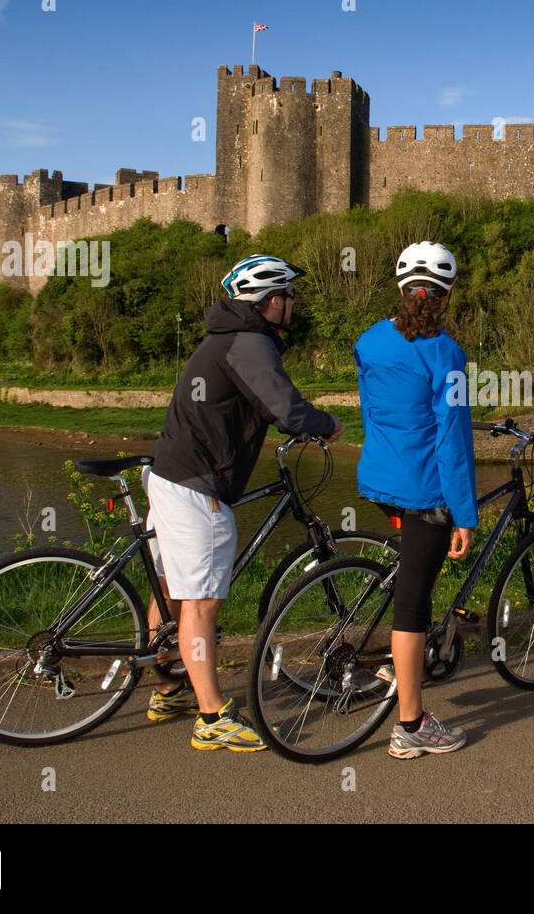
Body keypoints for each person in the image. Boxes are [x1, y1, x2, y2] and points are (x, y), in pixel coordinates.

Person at [144, 254, 344, 750]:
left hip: (170, 473)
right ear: (270, 301)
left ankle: (169, 686)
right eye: (290, 295)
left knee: (170, 585)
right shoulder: (251, 341)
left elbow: (261, 401)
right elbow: (285, 408)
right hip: (197, 486)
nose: (293, 304)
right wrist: (325, 424)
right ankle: (212, 716)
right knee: (201, 601)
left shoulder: (224, 336)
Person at [353, 241, 478, 758]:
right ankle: (411, 725)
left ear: (403, 289)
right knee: (413, 607)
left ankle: (397, 665)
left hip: (378, 479)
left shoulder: (369, 340)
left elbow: (373, 410)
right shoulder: (448, 354)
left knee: (412, 574)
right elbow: (453, 441)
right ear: (445, 296)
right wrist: (465, 515)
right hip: (423, 489)